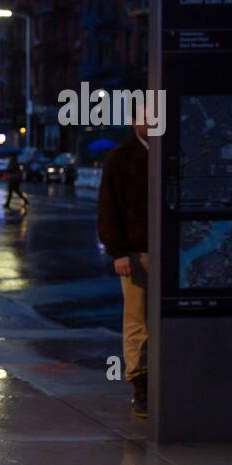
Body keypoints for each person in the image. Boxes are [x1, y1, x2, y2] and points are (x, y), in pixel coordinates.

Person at [97, 121, 150, 418]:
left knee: (158, 321)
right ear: (135, 122)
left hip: (170, 251)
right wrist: (118, 251)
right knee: (137, 320)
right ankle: (139, 384)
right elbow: (108, 207)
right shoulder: (120, 157)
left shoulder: (167, 152)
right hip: (135, 251)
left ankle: (156, 381)